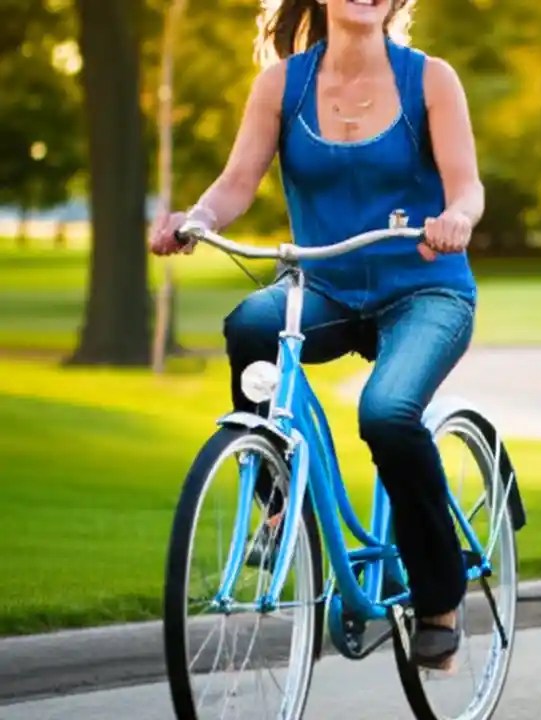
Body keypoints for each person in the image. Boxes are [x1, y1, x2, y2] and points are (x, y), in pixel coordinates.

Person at [149, 0, 483, 670]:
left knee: (387, 413)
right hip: (323, 286)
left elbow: (467, 187)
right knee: (250, 323)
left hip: (426, 288)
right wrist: (198, 217)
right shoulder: (282, 84)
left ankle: (439, 601)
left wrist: (456, 219)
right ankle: (278, 513)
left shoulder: (431, 79)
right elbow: (238, 181)